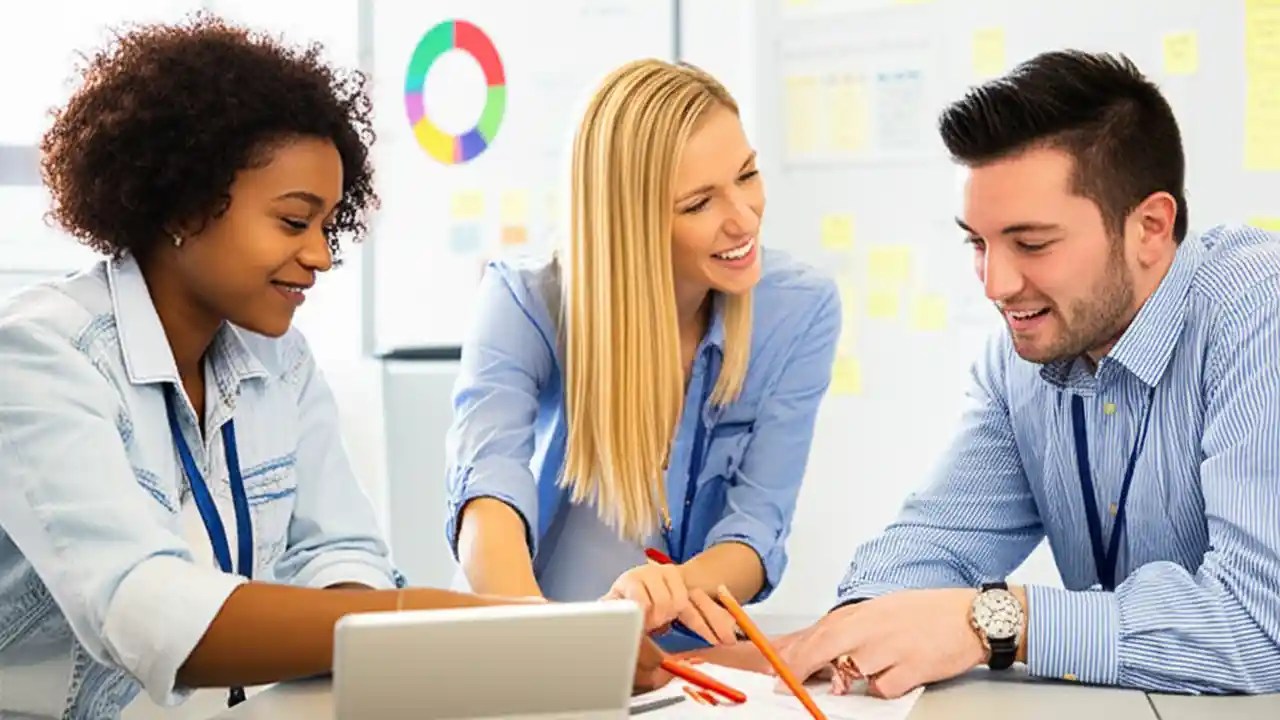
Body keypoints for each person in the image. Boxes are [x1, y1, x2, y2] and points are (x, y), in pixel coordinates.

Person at [0, 16, 666, 719]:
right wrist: (454, 622)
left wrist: (439, 634)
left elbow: (339, 552)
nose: (320, 255)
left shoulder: (276, 358)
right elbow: (145, 612)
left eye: (328, 226)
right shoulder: (41, 358)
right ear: (186, 204)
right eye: (293, 222)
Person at [774, 50, 1280, 698]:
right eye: (978, 244)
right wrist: (855, 625)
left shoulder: (1257, 314)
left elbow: (1258, 625)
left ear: (1150, 227)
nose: (995, 284)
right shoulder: (1023, 360)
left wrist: (992, 621)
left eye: (1032, 244)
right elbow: (936, 540)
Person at [446, 59, 841, 651]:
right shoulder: (523, 301)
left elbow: (756, 523)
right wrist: (538, 639)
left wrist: (664, 593)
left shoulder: (800, 308)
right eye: (699, 203)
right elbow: (488, 490)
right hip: (523, 636)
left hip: (680, 661)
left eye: (748, 174)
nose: (744, 218)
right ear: (629, 222)